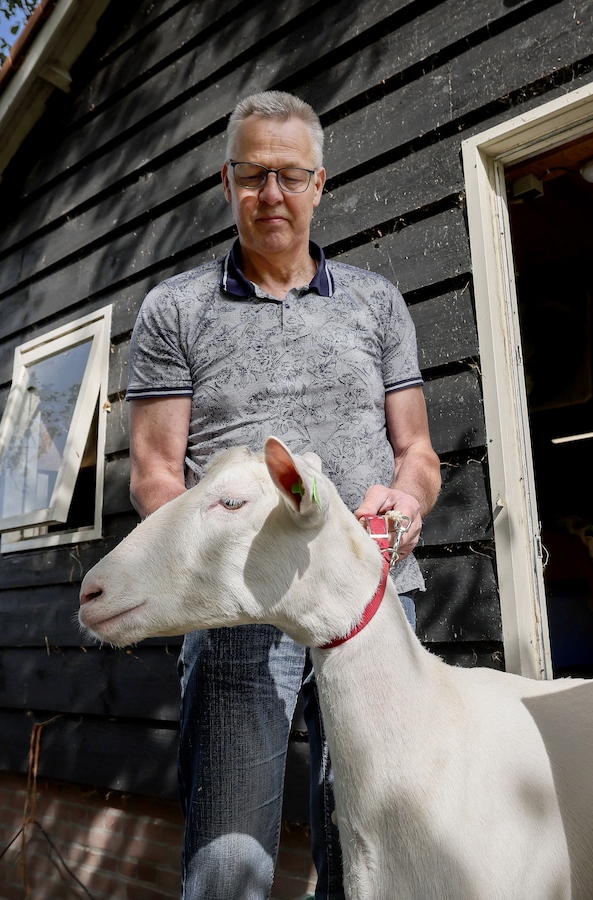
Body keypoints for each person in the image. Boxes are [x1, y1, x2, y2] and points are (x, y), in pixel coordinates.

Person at [124, 90, 442, 900]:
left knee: (367, 841)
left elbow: (416, 454)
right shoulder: (174, 310)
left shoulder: (376, 302)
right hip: (238, 614)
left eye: (290, 176)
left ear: (320, 183)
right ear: (227, 181)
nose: (272, 194)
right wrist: (217, 555)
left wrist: (404, 507)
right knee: (230, 863)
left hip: (370, 602)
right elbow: (156, 473)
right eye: (254, 174)